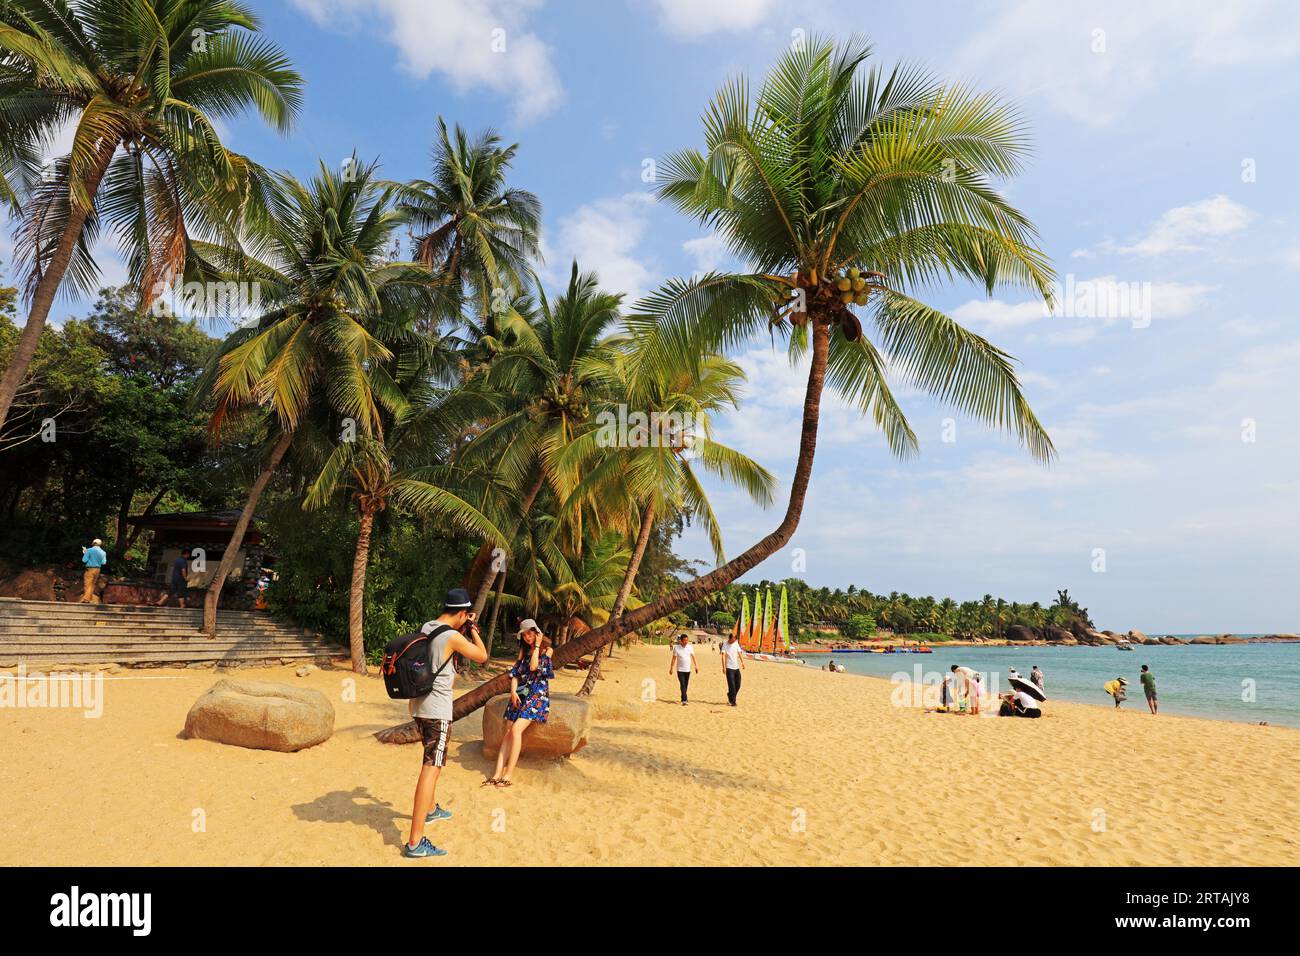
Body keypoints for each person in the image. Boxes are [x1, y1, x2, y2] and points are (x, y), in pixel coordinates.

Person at [404, 588, 488, 859]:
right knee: (431, 768)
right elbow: (482, 656)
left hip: (419, 706)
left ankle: (430, 810)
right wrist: (473, 628)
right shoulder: (452, 636)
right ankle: (415, 842)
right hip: (437, 710)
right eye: (466, 616)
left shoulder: (428, 627)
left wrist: (463, 625)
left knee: (430, 759)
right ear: (462, 613)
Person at [487, 619, 555, 788]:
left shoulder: (547, 650)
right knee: (508, 733)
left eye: (530, 633)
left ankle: (508, 775)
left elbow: (533, 667)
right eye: (524, 635)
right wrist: (513, 692)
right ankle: (497, 773)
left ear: (537, 633)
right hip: (521, 694)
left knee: (516, 730)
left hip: (537, 695)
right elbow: (515, 675)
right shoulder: (523, 651)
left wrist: (537, 646)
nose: (527, 637)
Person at [669, 632, 698, 705]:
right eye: (685, 640)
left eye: (687, 640)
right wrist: (671, 668)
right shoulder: (676, 648)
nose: (686, 642)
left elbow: (693, 657)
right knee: (682, 684)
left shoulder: (690, 647)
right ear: (681, 641)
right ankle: (684, 700)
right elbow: (673, 659)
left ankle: (683, 697)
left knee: (686, 685)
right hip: (680, 670)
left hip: (688, 670)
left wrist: (696, 666)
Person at [721, 631, 745, 706]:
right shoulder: (725, 644)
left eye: (735, 639)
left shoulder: (736, 643)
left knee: (738, 685)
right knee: (732, 686)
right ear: (730, 638)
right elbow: (723, 656)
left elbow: (739, 653)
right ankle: (733, 701)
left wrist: (742, 662)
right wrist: (724, 667)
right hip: (729, 668)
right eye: (733, 639)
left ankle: (730, 695)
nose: (734, 641)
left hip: (736, 668)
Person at [79, 539, 107, 603]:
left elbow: (84, 560)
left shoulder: (89, 550)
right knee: (92, 584)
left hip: (90, 569)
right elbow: (103, 562)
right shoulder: (103, 552)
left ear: (94, 543)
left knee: (87, 583)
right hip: (98, 569)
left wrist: (85, 553)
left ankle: (86, 599)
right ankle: (89, 598)